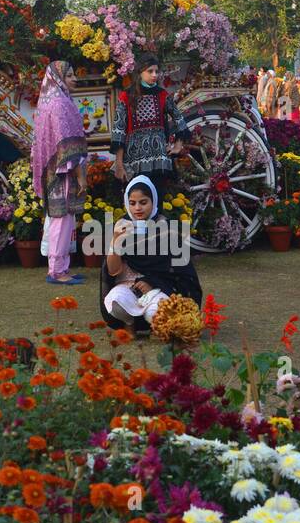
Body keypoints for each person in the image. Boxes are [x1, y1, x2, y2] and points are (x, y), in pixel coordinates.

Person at [101, 175, 201, 332]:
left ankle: (155, 326)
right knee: (114, 301)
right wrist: (115, 240)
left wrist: (152, 283)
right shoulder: (121, 227)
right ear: (127, 204)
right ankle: (129, 323)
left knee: (158, 311)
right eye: (132, 203)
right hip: (128, 288)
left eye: (143, 202)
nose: (137, 208)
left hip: (159, 290)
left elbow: (179, 271)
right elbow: (113, 271)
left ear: (153, 201)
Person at [32, 60, 88, 286]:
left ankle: (62, 267)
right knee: (61, 220)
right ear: (58, 78)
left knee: (64, 220)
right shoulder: (59, 104)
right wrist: (80, 175)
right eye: (70, 75)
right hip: (62, 172)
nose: (75, 79)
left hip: (55, 171)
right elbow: (66, 144)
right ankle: (56, 271)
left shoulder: (51, 100)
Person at [112, 53, 186, 190]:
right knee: (137, 201)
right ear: (140, 72)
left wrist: (178, 145)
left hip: (159, 161)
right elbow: (119, 131)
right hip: (134, 161)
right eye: (150, 71)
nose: (154, 75)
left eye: (157, 71)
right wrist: (119, 164)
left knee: (157, 202)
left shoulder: (162, 95)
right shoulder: (127, 96)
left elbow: (179, 118)